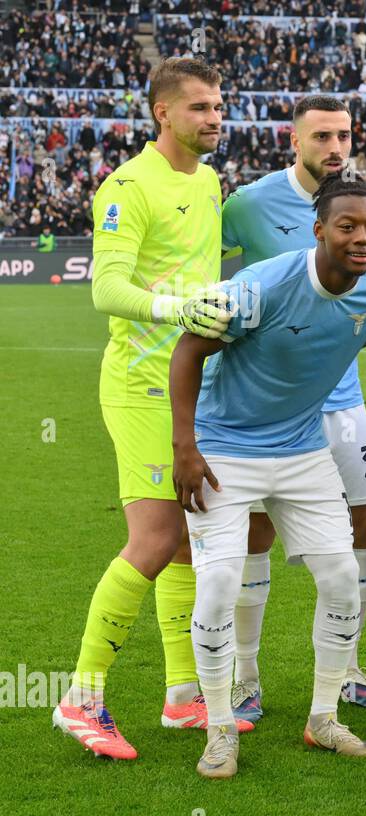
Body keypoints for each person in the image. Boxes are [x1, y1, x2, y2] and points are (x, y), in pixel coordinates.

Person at [169, 173, 366, 779]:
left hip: (303, 452)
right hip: (225, 451)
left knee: (343, 578)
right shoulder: (258, 287)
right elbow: (189, 350)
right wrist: (185, 447)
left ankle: (322, 718)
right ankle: (220, 730)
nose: (362, 238)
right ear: (318, 229)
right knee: (218, 584)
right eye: (347, 226)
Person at [53, 57, 236, 760]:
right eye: (199, 107)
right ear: (163, 113)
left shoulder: (211, 178)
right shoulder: (127, 185)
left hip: (192, 382)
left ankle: (184, 697)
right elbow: (106, 288)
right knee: (156, 539)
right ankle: (81, 698)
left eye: (218, 106)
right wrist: (175, 306)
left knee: (188, 538)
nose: (214, 117)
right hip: (139, 386)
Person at [219, 94, 366, 721]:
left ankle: (348, 666)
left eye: (343, 135)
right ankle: (246, 676)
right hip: (265, 403)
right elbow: (209, 271)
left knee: (363, 520)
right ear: (295, 140)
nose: (335, 147)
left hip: (340, 398)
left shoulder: (360, 204)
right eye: (321, 137)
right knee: (256, 531)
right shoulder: (249, 203)